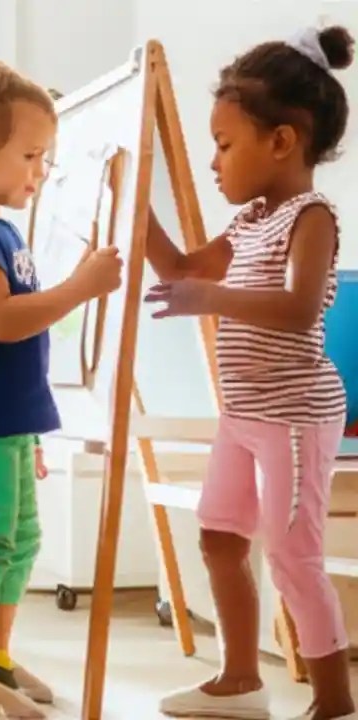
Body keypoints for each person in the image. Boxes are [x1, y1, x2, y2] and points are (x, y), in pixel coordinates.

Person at [148, 26, 355, 720]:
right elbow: (178, 268)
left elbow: (298, 309)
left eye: (225, 144)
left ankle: (333, 698)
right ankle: (239, 680)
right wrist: (130, 205)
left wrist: (210, 299)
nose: (213, 163)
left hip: (296, 414)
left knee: (293, 555)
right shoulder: (248, 222)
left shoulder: (312, 218)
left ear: (282, 142)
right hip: (245, 413)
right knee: (218, 536)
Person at [0, 59, 123, 715]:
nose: (40, 171)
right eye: (31, 155)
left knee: (21, 541)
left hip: (5, 421)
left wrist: (27, 430)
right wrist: (80, 288)